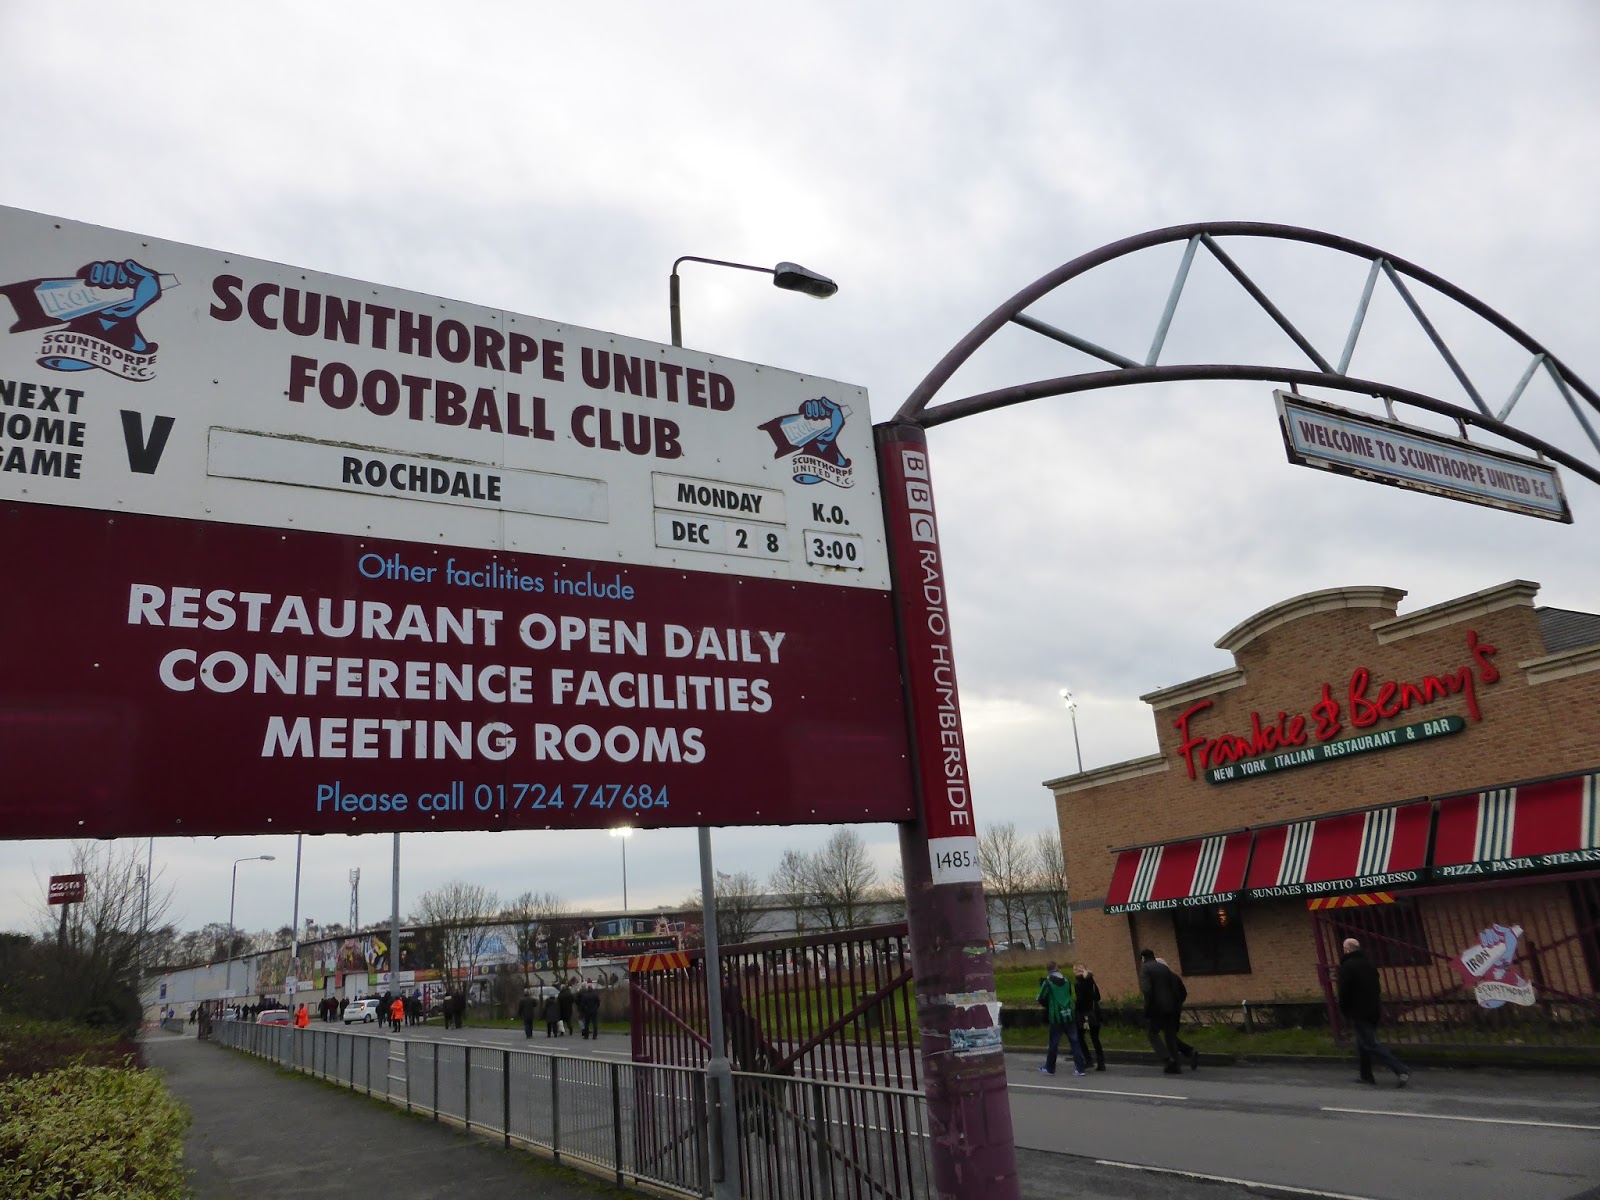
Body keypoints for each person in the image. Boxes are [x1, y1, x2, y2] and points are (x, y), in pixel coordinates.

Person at [1336, 937, 1410, 1087]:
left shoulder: (1347, 966)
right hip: (1373, 1009)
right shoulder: (1370, 965)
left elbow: (1344, 992)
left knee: (1370, 1043)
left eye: (1344, 949)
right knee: (1362, 1044)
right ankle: (1366, 1076)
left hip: (1358, 1010)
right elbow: (1377, 988)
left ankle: (1401, 1069)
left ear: (1347, 950)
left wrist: (1344, 1009)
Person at [1139, 948, 1197, 1074]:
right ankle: (1176, 1064)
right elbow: (1175, 990)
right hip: (1170, 1007)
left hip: (1156, 1007)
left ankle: (1167, 1058)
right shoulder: (1165, 969)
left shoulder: (1146, 969)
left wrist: (1147, 1008)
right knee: (1170, 1035)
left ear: (1143, 958)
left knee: (1152, 1033)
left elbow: (1147, 990)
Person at [1034, 961, 1087, 1076]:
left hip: (1056, 1016)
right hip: (1068, 1014)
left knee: (1053, 1043)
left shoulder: (1048, 982)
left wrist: (1039, 999)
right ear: (1057, 968)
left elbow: (1041, 997)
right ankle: (1080, 1068)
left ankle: (1050, 1067)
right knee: (1075, 1042)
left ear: (1048, 970)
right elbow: (1069, 994)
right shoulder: (1067, 980)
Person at [1073, 963, 1106, 1072]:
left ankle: (1088, 1059)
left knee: (1080, 1036)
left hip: (1084, 1014)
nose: (1073, 971)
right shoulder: (1091, 981)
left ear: (1079, 971)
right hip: (1095, 1013)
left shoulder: (1078, 983)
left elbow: (1080, 1000)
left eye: (1075, 969)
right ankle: (1101, 1063)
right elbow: (1098, 996)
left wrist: (1076, 1009)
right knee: (1095, 1038)